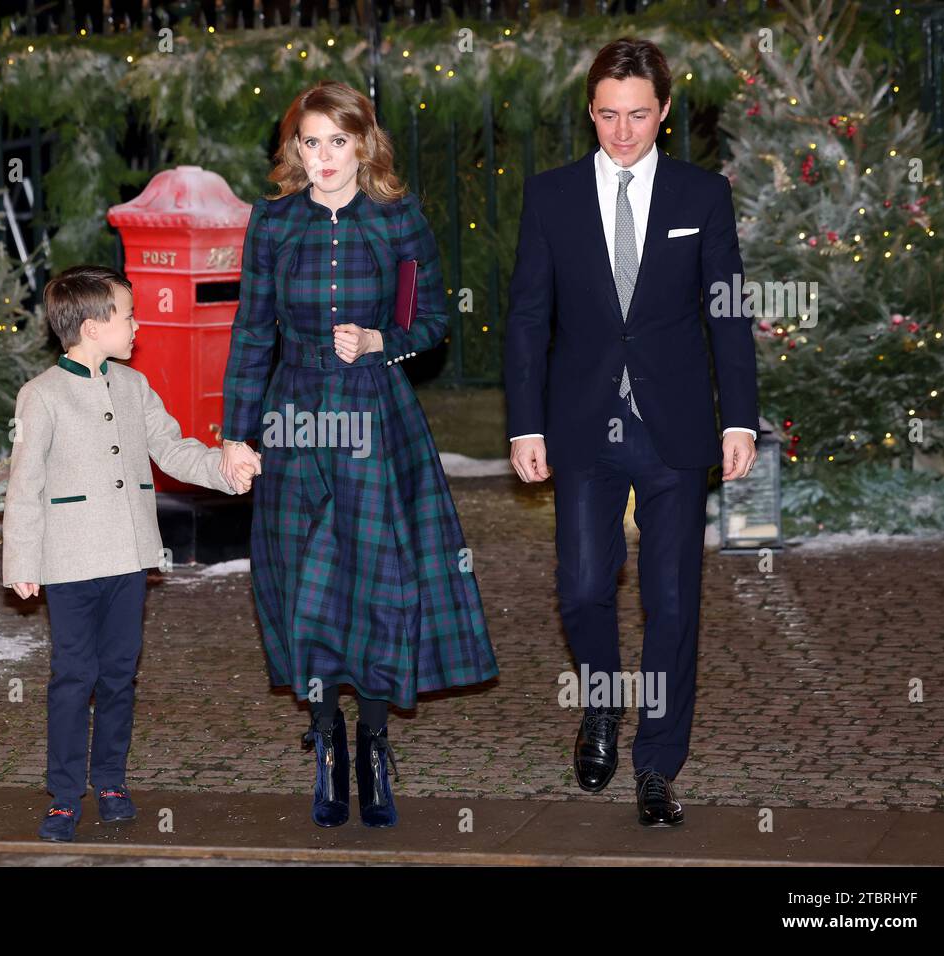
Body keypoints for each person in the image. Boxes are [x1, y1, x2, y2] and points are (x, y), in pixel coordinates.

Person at [219, 81, 499, 829]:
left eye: (338, 141)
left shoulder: (396, 217)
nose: (324, 157)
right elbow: (252, 330)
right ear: (295, 149)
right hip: (294, 412)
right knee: (302, 582)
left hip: (375, 411)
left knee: (380, 581)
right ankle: (327, 741)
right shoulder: (274, 221)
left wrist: (380, 340)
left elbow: (431, 320)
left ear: (364, 144)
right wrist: (237, 435)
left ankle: (373, 740)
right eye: (310, 142)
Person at [504, 37, 760, 827]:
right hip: (582, 422)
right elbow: (527, 318)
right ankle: (602, 700)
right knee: (583, 588)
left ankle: (657, 763)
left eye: (639, 116)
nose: (623, 132)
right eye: (609, 115)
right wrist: (524, 424)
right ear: (591, 111)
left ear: (665, 111)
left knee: (673, 603)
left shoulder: (701, 195)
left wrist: (740, 417)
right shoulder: (551, 196)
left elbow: (728, 313)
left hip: (673, 427)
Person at [2, 265, 260, 842]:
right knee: (75, 675)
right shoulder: (41, 395)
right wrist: (21, 561)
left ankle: (111, 781)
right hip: (69, 562)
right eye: (128, 315)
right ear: (93, 327)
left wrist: (225, 467)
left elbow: (171, 448)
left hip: (129, 558)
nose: (137, 325)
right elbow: (24, 484)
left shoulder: (134, 386)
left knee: (120, 674)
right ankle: (64, 796)